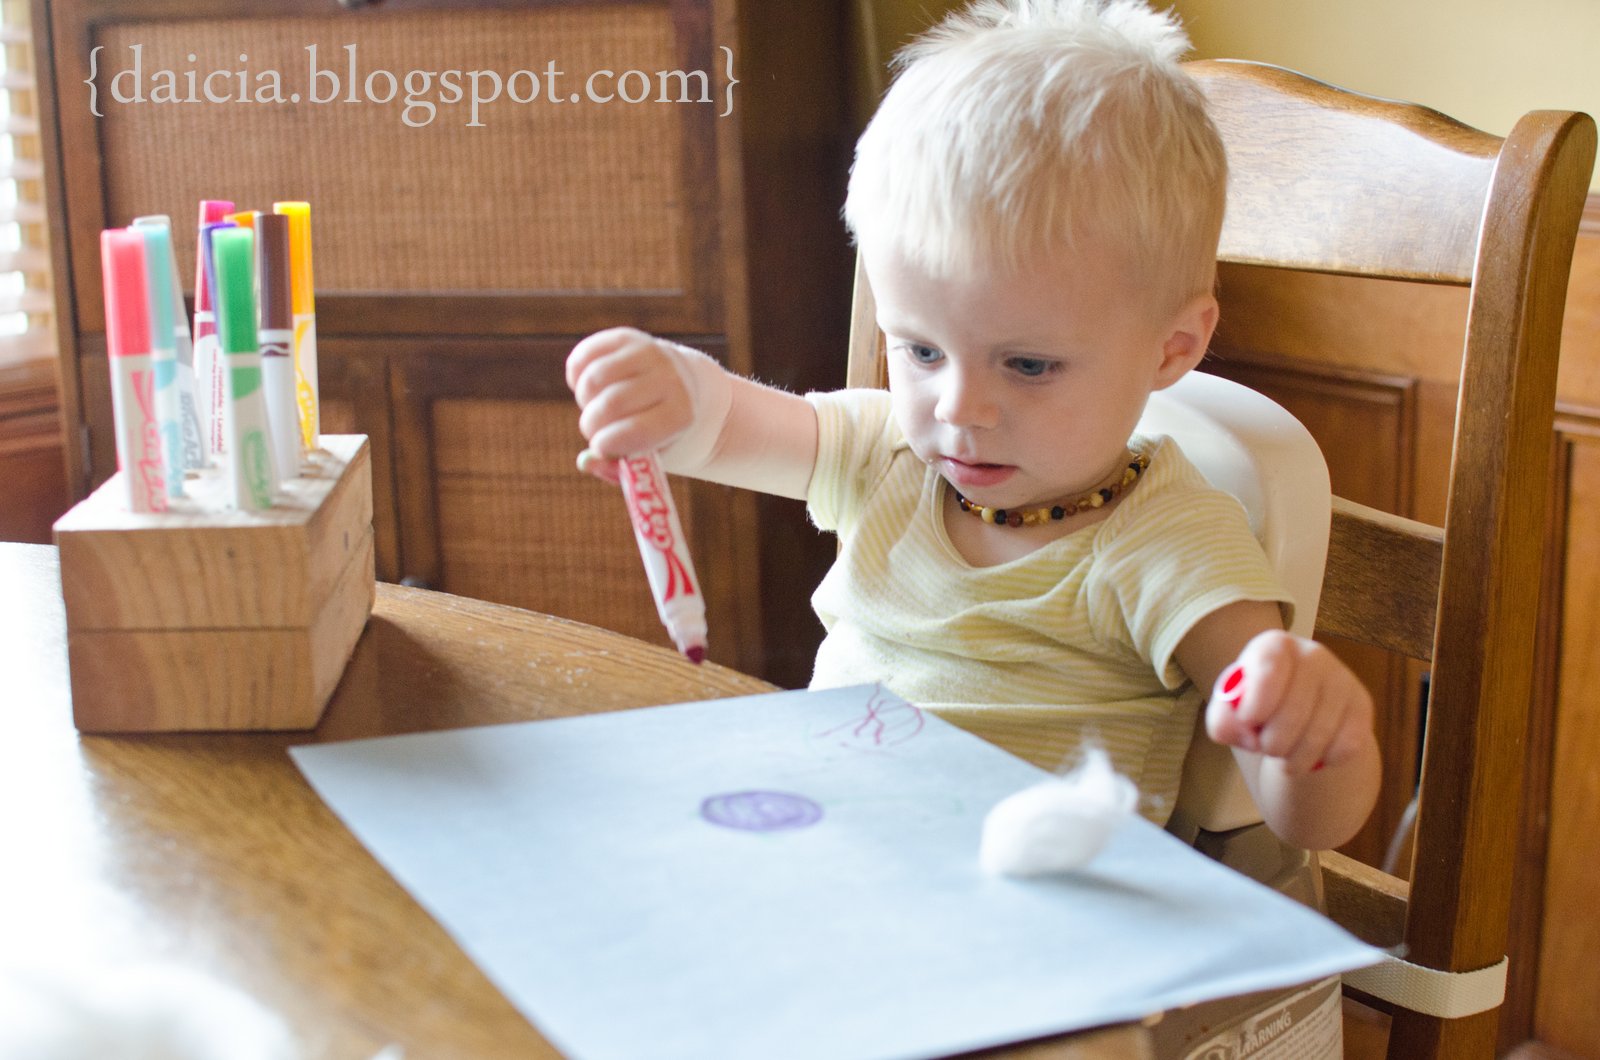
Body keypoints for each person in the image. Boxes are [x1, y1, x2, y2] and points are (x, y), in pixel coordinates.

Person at [566, 0, 1379, 851]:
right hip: (835, 860)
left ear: (1173, 348)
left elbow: (1300, 826)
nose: (958, 408)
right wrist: (675, 394)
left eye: (1026, 366)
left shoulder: (1166, 543)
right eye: (919, 350)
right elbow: (730, 428)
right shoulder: (889, 457)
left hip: (1039, 931)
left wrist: (1315, 741)